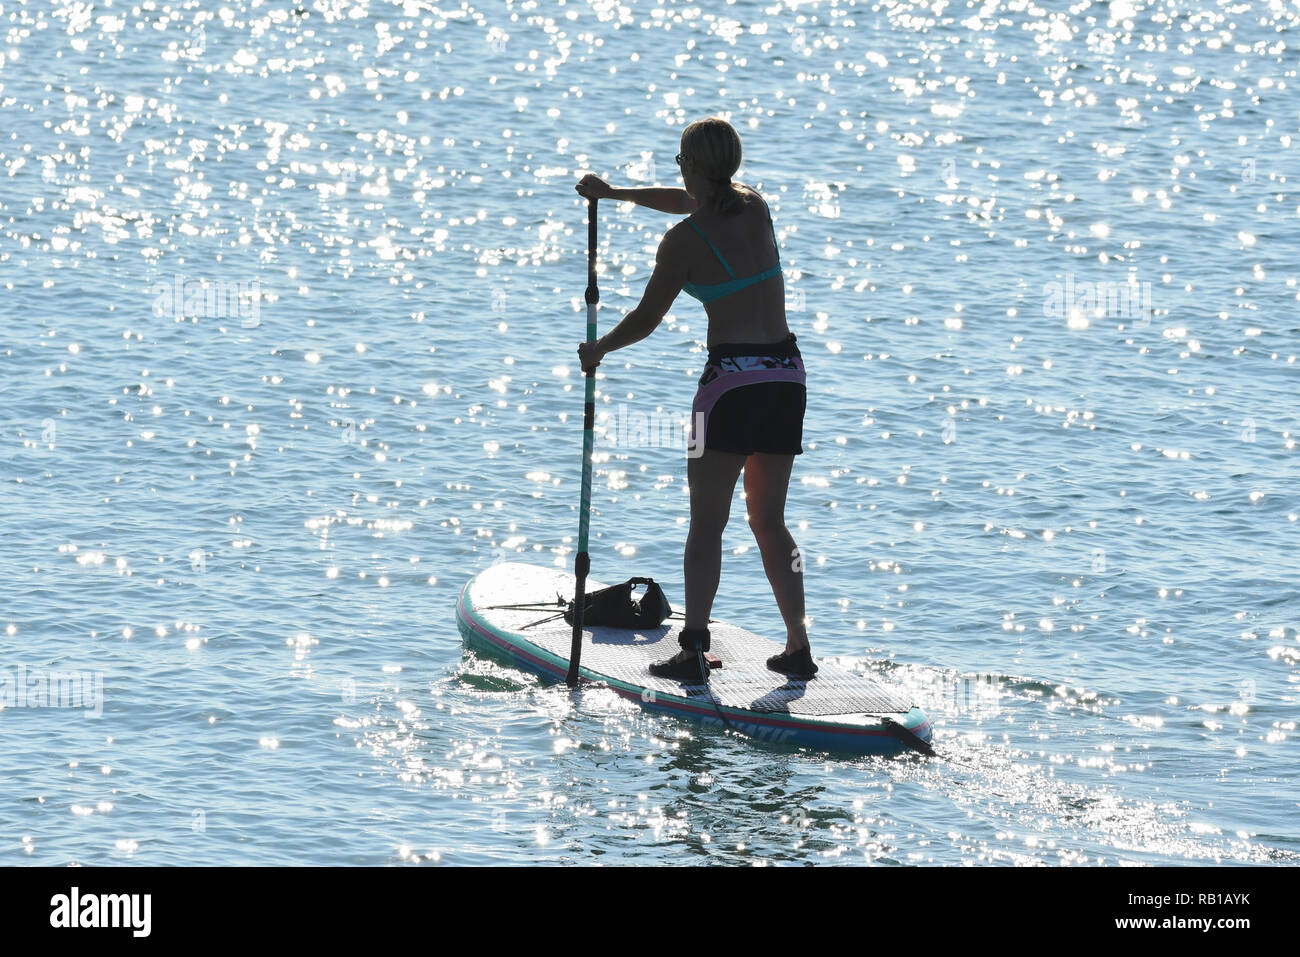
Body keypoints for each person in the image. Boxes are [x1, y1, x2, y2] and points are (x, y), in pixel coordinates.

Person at [574, 116, 818, 683]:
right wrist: (615, 194)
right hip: (787, 377)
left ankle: (692, 650)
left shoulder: (683, 242)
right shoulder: (754, 205)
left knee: (707, 524)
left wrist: (600, 349)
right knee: (770, 522)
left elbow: (645, 318)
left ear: (690, 167)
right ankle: (798, 643)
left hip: (728, 387)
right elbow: (692, 199)